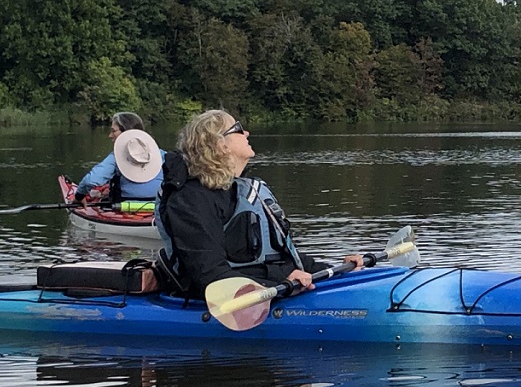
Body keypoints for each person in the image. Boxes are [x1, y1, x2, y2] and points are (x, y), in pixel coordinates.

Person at [153, 108, 367, 302]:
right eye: (238, 129)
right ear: (220, 145)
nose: (246, 133)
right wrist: (281, 284)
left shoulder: (240, 189)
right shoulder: (190, 200)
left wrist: (338, 270)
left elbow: (283, 258)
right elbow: (210, 275)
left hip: (273, 288)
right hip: (219, 301)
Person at [73, 113, 164, 208]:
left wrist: (79, 196)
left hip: (122, 207)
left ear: (126, 133)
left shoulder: (115, 157)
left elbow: (90, 181)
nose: (110, 135)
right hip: (158, 207)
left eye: (113, 131)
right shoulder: (162, 154)